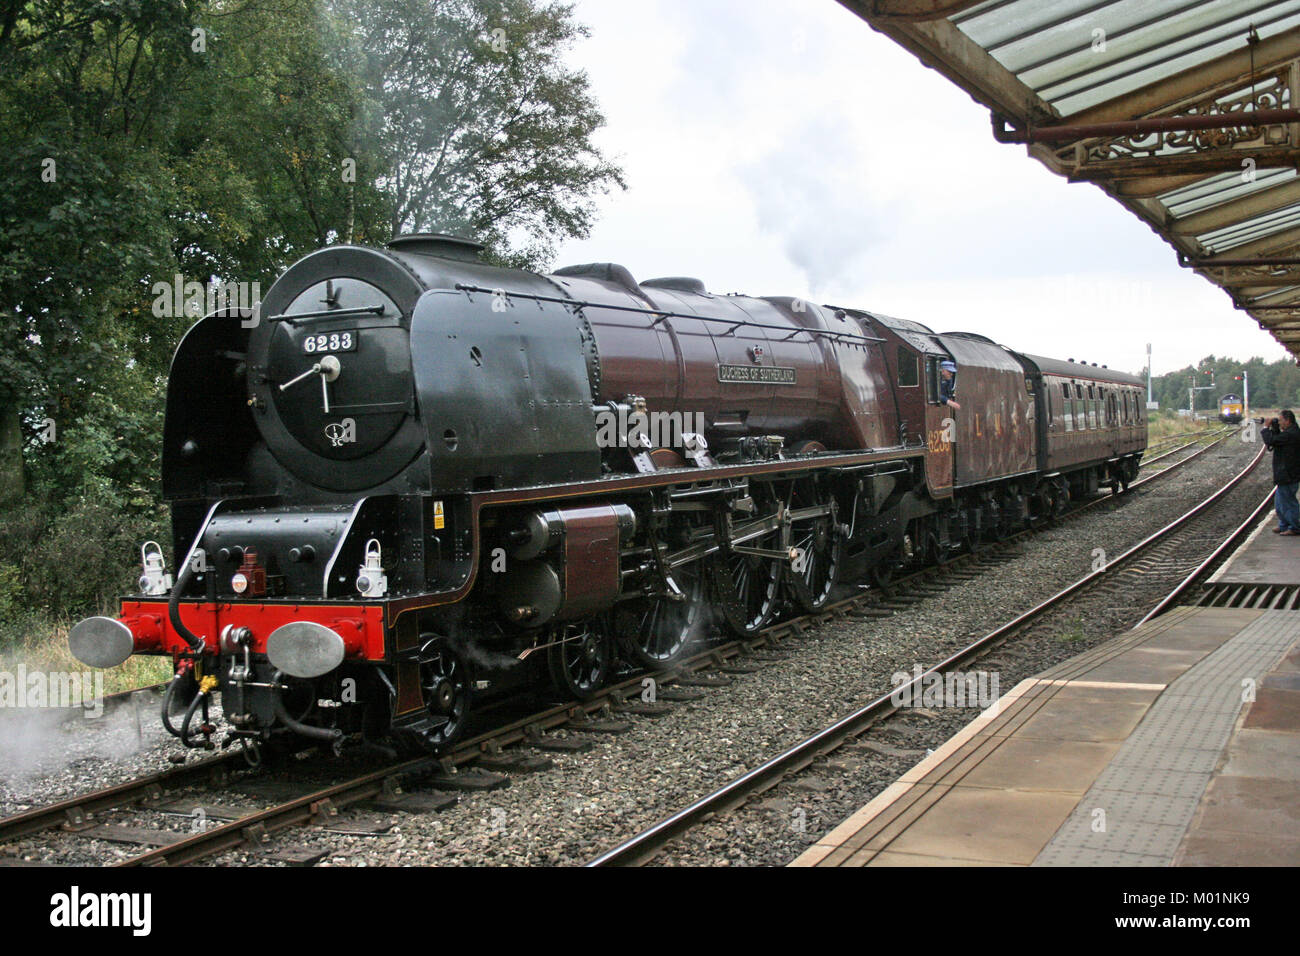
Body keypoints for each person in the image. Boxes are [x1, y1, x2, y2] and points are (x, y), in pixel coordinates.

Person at [1262, 409, 1300, 535]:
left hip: (1288, 474)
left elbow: (1271, 441)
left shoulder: (1291, 434)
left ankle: (1295, 527)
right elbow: (1277, 439)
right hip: (1285, 473)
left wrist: (1266, 428)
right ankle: (1284, 525)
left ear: (1288, 420)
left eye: (1281, 420)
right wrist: (1275, 428)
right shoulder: (1290, 432)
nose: (1279, 423)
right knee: (1280, 503)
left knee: (1288, 502)